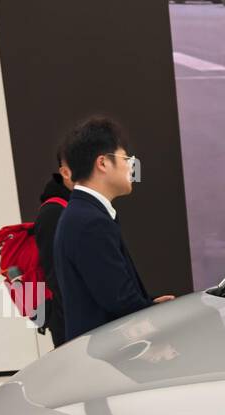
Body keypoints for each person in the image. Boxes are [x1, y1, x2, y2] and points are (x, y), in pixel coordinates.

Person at [53, 116, 173, 341]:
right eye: (125, 158)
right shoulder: (89, 221)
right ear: (103, 163)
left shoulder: (83, 213)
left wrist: (149, 303)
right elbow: (119, 301)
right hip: (107, 354)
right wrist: (153, 311)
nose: (130, 166)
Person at [32, 143, 72, 345]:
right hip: (67, 322)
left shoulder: (69, 207)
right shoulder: (54, 212)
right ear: (65, 172)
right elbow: (56, 277)